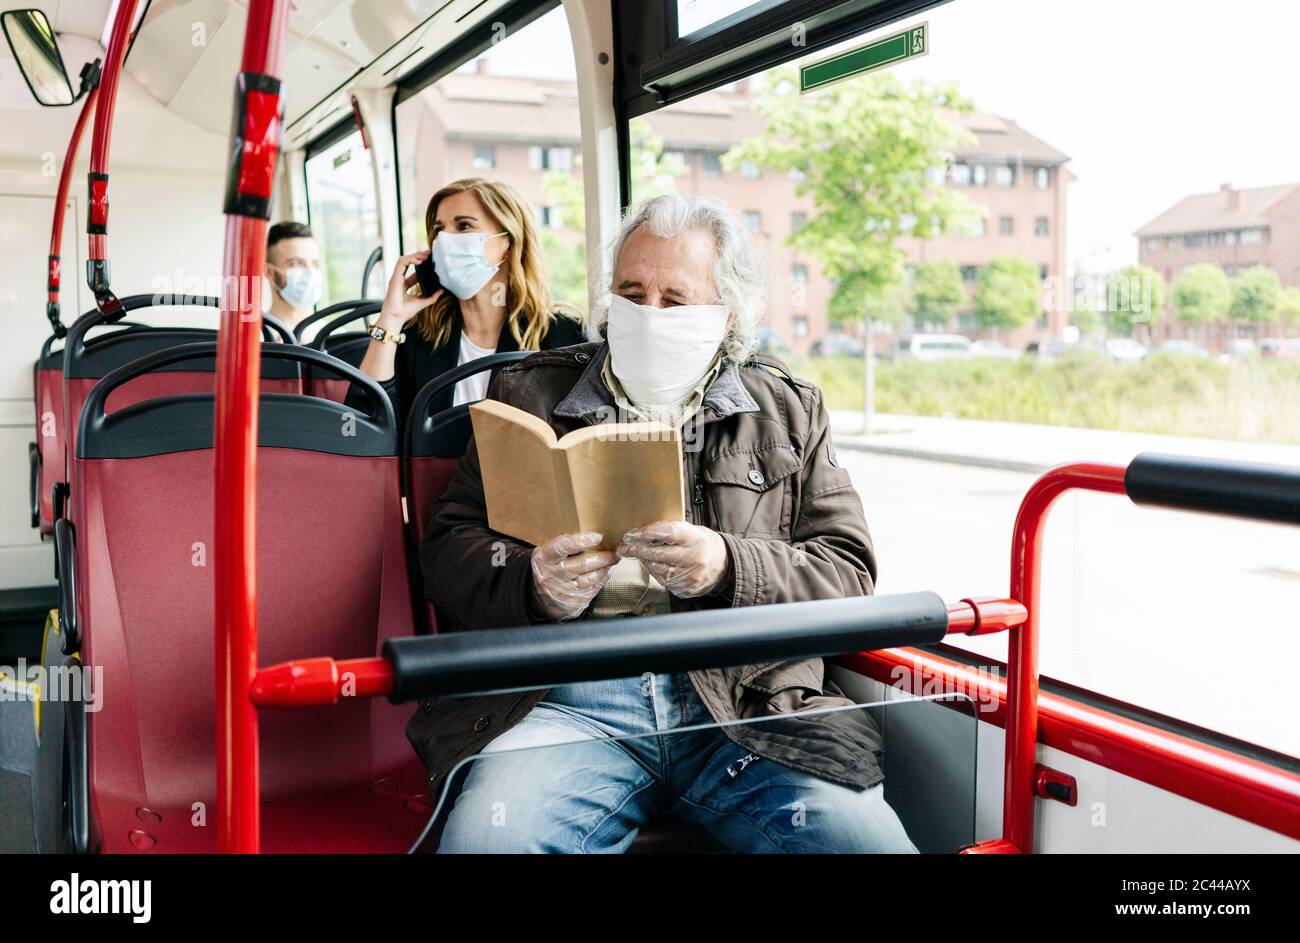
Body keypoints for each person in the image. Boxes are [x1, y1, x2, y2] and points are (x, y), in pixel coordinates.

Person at [413, 193, 918, 854]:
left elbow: (848, 571)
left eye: (675, 300)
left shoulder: (787, 411)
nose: (648, 315)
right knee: (486, 843)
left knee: (863, 840)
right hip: (568, 703)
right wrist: (531, 583)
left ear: (726, 314)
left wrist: (728, 565)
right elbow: (449, 549)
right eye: (630, 292)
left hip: (747, 704)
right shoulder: (526, 394)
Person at [352, 178, 584, 441]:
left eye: (464, 226)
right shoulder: (418, 336)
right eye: (439, 230)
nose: (445, 240)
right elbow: (362, 428)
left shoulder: (563, 338)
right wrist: (391, 320)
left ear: (508, 241)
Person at [264, 221, 323, 332]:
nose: (310, 273)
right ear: (269, 272)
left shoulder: (336, 335)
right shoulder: (255, 340)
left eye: (315, 264)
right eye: (296, 264)